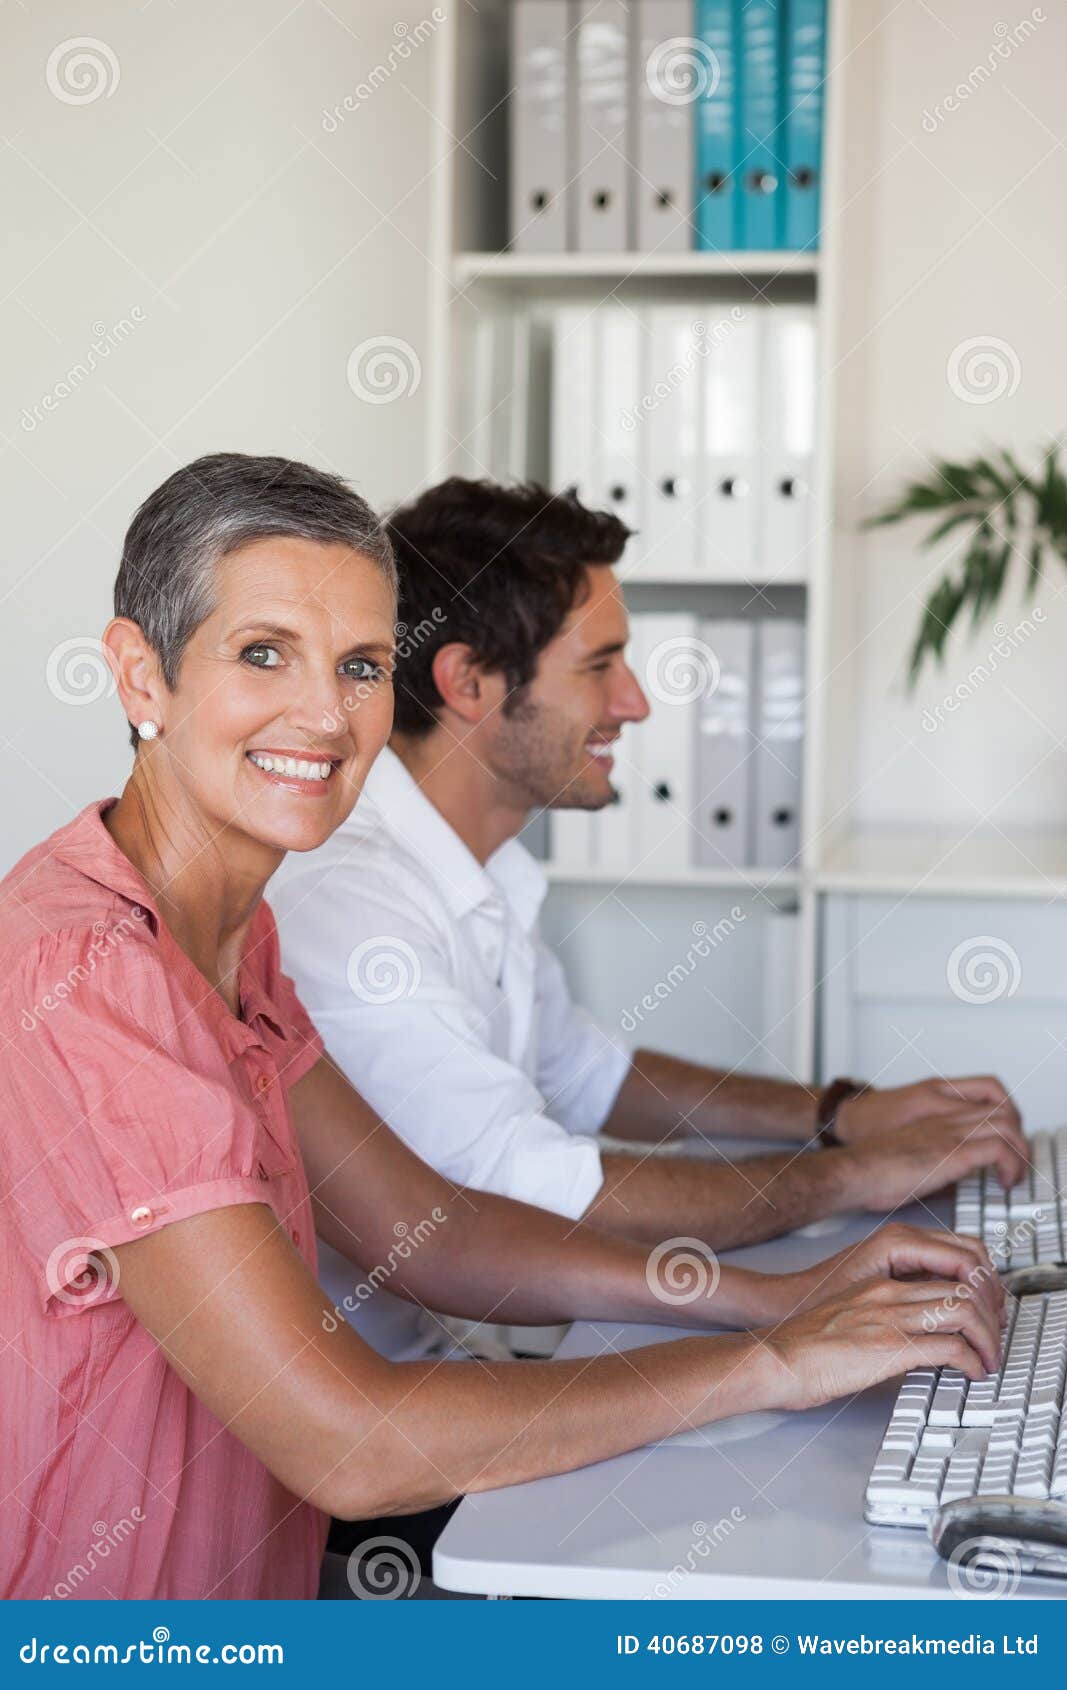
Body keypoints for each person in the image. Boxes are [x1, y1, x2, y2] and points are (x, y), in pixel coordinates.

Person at [0, 455, 1003, 1602]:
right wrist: (768, 1360)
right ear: (142, 673)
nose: (325, 714)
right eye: (263, 652)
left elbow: (430, 1232)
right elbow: (347, 1442)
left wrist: (767, 1297)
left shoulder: (232, 935)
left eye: (359, 665)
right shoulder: (91, 976)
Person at [270, 476, 1026, 1363]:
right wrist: (852, 1178)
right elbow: (531, 1191)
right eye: (600, 666)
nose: (633, 702)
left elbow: (585, 1071)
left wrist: (837, 1114)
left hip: (457, 1359)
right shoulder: (353, 902)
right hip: (389, 1405)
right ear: (468, 681)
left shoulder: (476, 865)